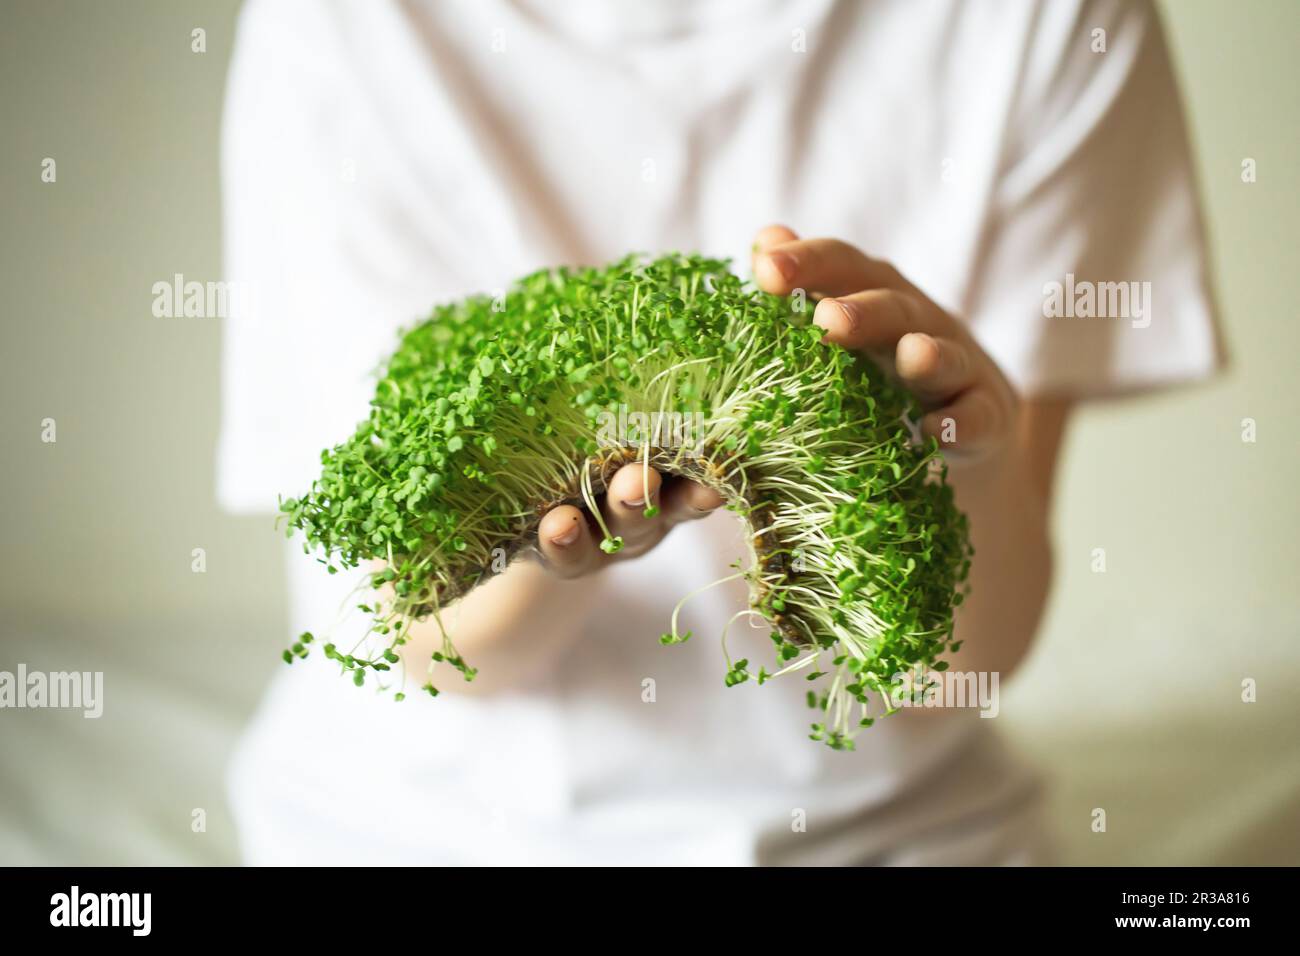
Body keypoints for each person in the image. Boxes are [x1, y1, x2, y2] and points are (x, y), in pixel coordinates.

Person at [217, 0, 1221, 865]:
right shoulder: (344, 24)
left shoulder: (1048, 22)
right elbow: (419, 640)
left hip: (889, 834)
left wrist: (966, 466)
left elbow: (957, 662)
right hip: (418, 835)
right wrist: (527, 542)